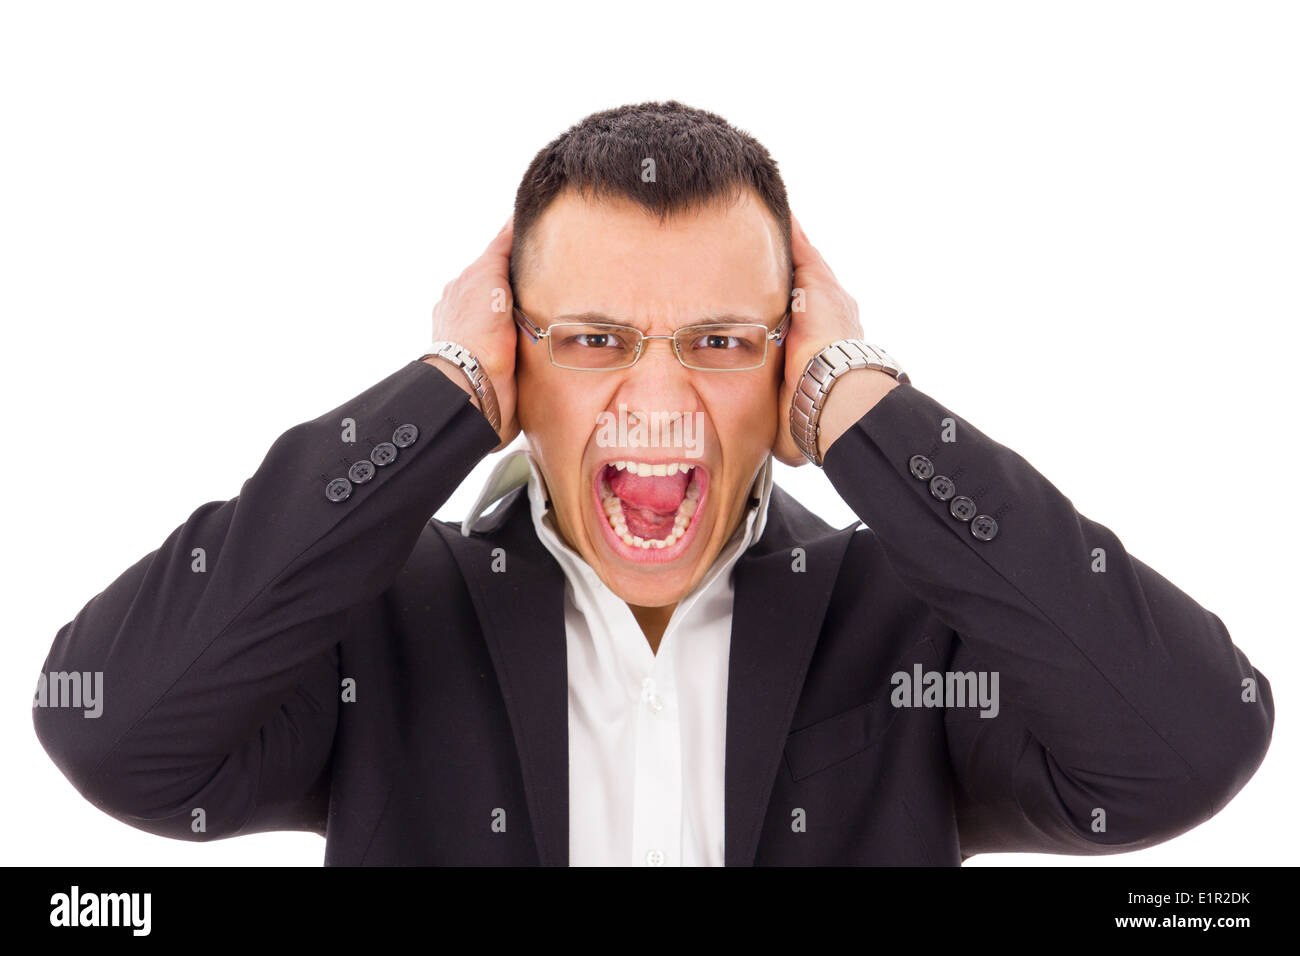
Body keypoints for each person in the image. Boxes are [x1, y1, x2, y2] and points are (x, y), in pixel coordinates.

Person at [33, 101, 1273, 865]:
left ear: (785, 356)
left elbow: (1188, 742)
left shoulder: (904, 617)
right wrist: (437, 394)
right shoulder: (382, 617)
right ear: (515, 360)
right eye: (592, 338)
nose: (663, 400)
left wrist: (858, 398)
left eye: (723, 342)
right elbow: (110, 731)